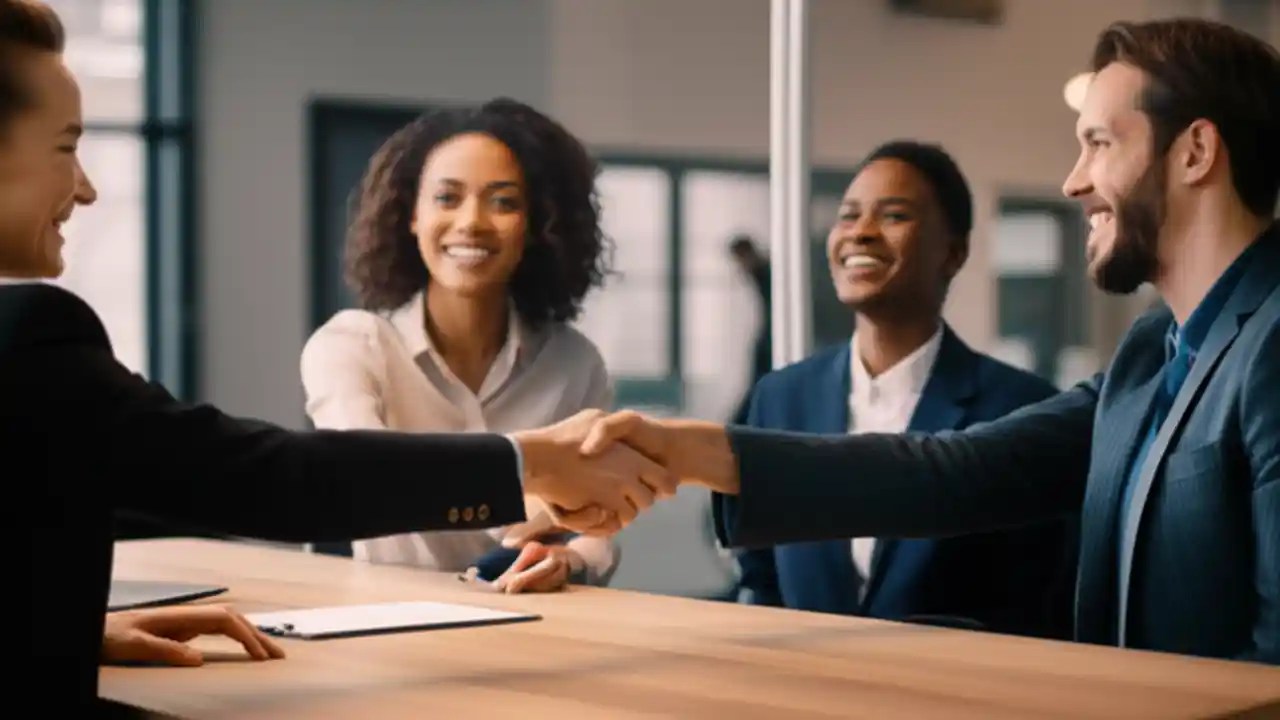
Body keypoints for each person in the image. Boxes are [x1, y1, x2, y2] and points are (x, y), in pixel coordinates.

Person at [0, 1, 672, 710]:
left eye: (503, 202)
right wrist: (529, 460)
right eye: (67, 147)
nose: (87, 187)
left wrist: (81, 632)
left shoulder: (574, 359)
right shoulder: (32, 335)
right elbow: (282, 482)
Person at [583, 17, 1280, 664]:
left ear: (1195, 152)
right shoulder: (1153, 351)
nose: (1073, 182)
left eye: (1099, 143)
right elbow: (954, 471)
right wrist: (680, 449)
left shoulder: (1270, 345)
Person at [735, 141, 1072, 638]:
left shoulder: (1022, 408)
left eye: (893, 215)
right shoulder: (781, 398)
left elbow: (1038, 602)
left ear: (953, 252)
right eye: (848, 216)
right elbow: (760, 578)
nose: (861, 232)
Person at [301, 99, 619, 593]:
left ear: (535, 224)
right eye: (447, 198)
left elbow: (601, 528)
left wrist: (569, 559)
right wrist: (526, 471)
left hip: (532, 622)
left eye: (504, 202)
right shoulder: (352, 347)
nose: (471, 222)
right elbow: (365, 474)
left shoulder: (574, 363)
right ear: (411, 215)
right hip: (388, 620)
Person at [728, 234, 771, 424]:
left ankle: (738, 425)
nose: (740, 267)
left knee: (758, 386)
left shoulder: (765, 273)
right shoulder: (761, 273)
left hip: (770, 341)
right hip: (766, 339)